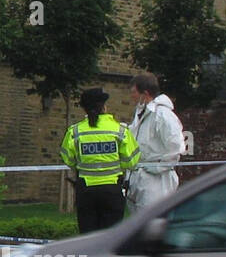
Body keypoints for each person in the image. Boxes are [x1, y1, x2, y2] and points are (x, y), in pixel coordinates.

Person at [60, 87, 140, 233]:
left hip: (86, 191)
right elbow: (132, 161)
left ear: (84, 109)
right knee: (111, 238)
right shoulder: (119, 130)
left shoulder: (75, 131)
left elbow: (67, 159)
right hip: (112, 190)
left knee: (88, 237)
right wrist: (117, 164)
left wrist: (82, 164)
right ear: (104, 107)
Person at [127, 72, 184, 215]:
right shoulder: (142, 113)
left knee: (153, 223)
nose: (131, 96)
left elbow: (176, 147)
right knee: (138, 224)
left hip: (157, 182)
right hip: (139, 177)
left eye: (134, 92)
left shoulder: (163, 115)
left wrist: (155, 167)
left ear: (145, 93)